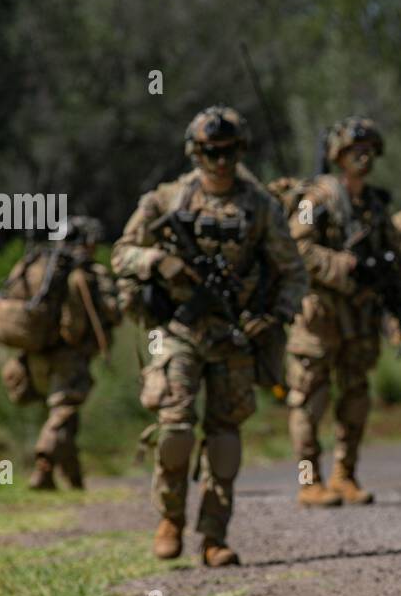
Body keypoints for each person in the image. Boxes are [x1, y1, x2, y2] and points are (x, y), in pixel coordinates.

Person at [112, 105, 307, 566]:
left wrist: (274, 316)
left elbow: (293, 272)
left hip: (232, 333)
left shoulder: (260, 206)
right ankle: (170, 518)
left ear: (241, 152)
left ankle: (214, 535)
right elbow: (122, 254)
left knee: (224, 439)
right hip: (176, 329)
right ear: (194, 152)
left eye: (229, 152)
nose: (220, 162)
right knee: (176, 426)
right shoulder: (165, 200)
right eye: (210, 152)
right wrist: (157, 263)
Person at [285, 115, 401, 508]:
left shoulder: (375, 206)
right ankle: (309, 480)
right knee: (309, 399)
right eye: (354, 151)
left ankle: (345, 474)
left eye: (368, 151)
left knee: (356, 397)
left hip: (360, 318)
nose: (363, 158)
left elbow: (395, 264)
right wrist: (341, 266)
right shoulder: (316, 200)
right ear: (338, 156)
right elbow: (297, 245)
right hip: (319, 317)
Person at [0, 216, 121, 491]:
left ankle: (72, 480)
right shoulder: (85, 273)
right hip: (68, 356)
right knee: (63, 412)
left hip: (32, 354)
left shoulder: (34, 266)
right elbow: (112, 311)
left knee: (65, 419)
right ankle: (42, 466)